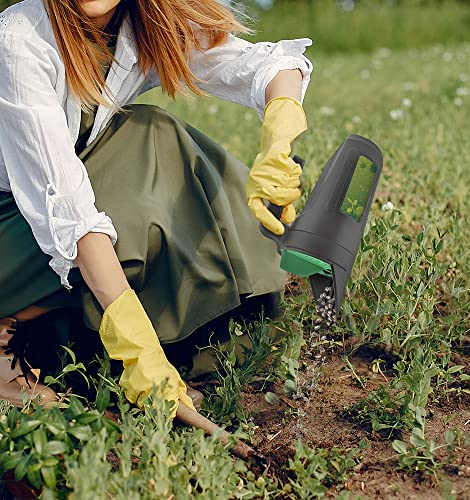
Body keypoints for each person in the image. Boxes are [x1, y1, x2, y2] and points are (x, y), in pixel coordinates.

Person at [0, 0, 313, 419]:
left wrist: (280, 128)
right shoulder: (19, 39)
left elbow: (263, 65)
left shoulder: (141, 21)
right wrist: (137, 349)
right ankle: (6, 332)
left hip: (49, 209)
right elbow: (67, 210)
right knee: (139, 167)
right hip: (13, 217)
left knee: (155, 132)